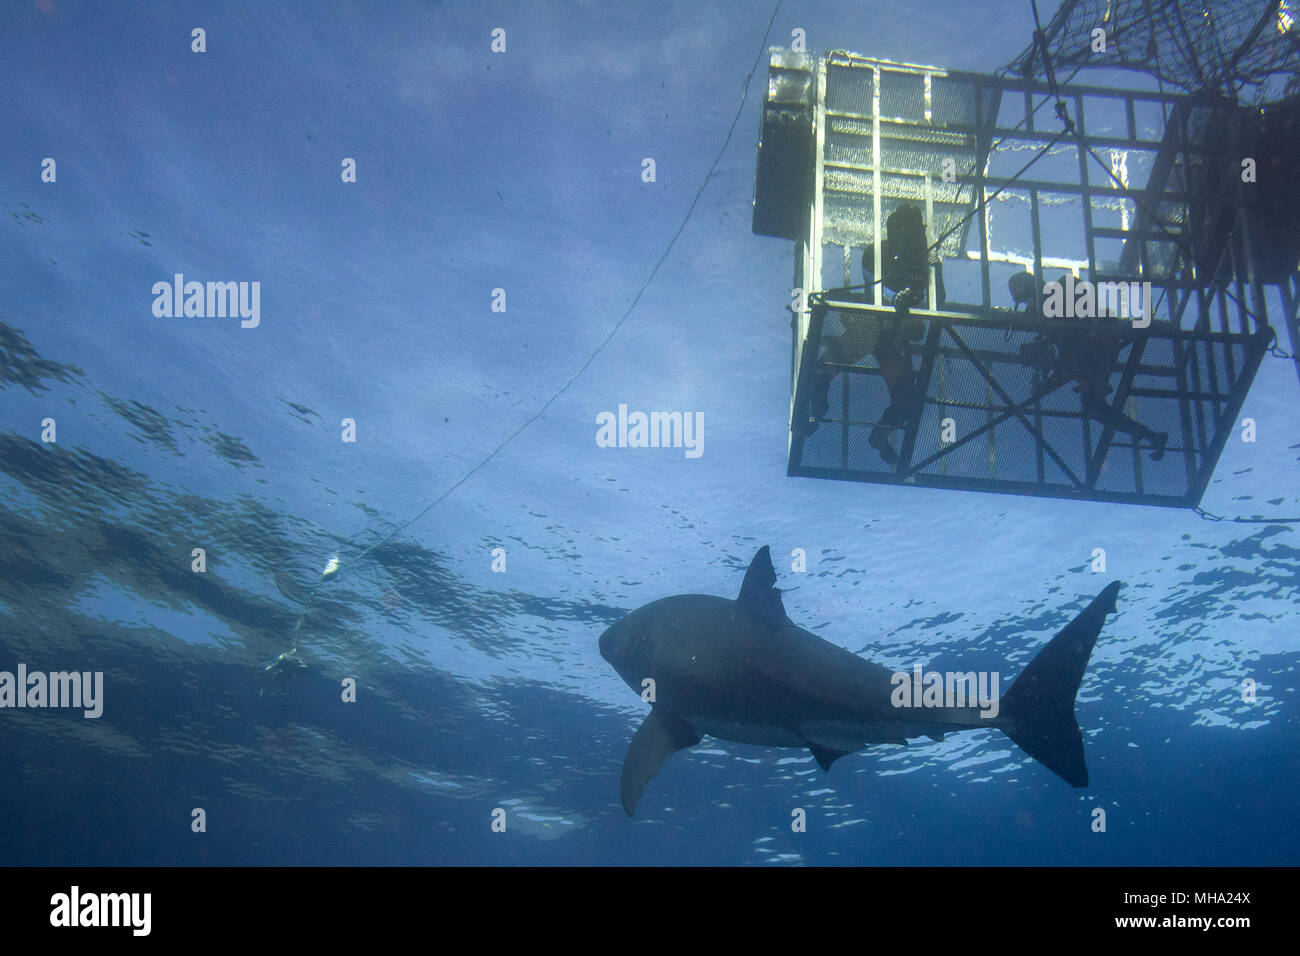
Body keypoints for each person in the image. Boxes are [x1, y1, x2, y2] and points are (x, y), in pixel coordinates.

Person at [800, 204, 943, 463]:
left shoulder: (925, 260)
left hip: (898, 332)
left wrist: (936, 271)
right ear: (893, 229)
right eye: (902, 228)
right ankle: (816, 402)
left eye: (911, 229)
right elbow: (871, 284)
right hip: (872, 322)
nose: (907, 235)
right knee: (836, 357)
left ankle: (880, 435)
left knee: (906, 402)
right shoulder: (876, 252)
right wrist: (893, 299)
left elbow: (938, 301)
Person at [1012, 271, 1168, 460]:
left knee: (1094, 407)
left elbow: (1080, 338)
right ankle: (1152, 437)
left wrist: (1058, 370)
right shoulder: (1051, 312)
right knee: (1094, 408)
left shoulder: (1063, 289)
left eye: (1027, 300)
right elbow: (1066, 353)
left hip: (1096, 350)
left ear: (1031, 289)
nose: (1029, 307)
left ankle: (1152, 437)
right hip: (1092, 354)